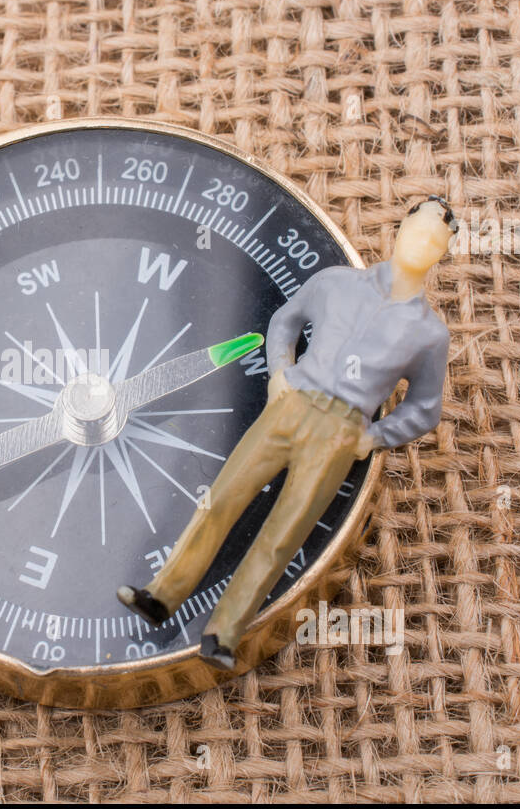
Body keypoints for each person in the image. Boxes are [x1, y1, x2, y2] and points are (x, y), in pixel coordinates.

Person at [118, 197, 456, 669]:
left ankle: (224, 633)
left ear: (442, 252)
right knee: (221, 497)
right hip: (291, 403)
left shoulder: (429, 334)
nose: (421, 243)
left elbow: (425, 406)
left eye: (433, 240)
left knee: (283, 533)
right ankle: (161, 594)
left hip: (341, 429)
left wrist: (375, 437)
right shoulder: (337, 284)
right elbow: (286, 320)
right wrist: (280, 370)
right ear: (398, 231)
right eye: (417, 231)